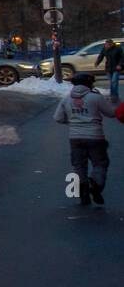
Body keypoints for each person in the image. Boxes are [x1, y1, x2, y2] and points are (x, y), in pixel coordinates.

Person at [54, 72, 117, 206]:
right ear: (90, 83)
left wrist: (73, 121)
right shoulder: (95, 97)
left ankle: (82, 191)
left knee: (79, 166)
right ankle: (95, 184)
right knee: (100, 164)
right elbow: (111, 113)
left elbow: (58, 118)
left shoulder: (66, 99)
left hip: (75, 138)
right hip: (96, 137)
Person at [94, 39, 122, 104]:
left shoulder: (118, 48)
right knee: (112, 83)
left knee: (114, 82)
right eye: (105, 44)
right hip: (108, 68)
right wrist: (97, 62)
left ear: (111, 44)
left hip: (116, 68)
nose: (106, 46)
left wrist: (120, 64)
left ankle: (114, 97)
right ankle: (114, 96)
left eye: (108, 45)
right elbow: (101, 56)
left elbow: (122, 57)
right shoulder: (104, 49)